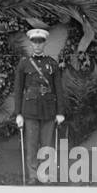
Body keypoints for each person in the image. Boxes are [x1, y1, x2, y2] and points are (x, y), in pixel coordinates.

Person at [12, 27, 66, 184]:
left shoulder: (52, 64)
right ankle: (33, 175)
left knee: (47, 144)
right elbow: (18, 90)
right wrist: (18, 114)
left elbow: (58, 89)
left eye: (40, 42)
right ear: (30, 44)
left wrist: (60, 112)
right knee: (31, 143)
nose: (37, 45)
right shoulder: (24, 64)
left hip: (49, 109)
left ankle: (45, 174)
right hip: (29, 109)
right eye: (34, 42)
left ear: (44, 44)